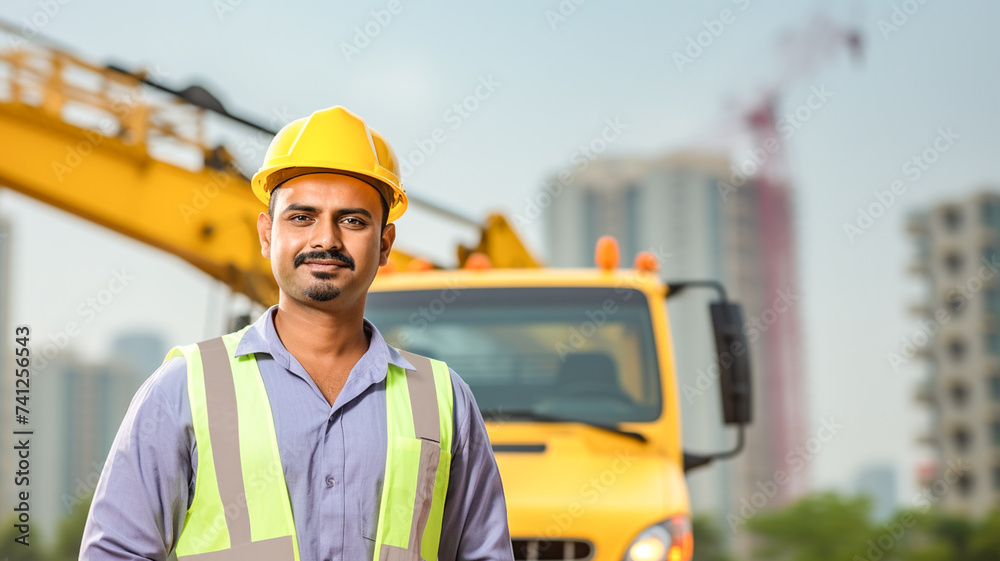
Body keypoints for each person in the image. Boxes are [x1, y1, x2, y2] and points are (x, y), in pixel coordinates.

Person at [79, 106, 515, 561]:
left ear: (385, 244)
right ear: (267, 235)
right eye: (302, 217)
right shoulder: (184, 388)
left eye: (352, 220)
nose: (325, 239)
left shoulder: (444, 399)